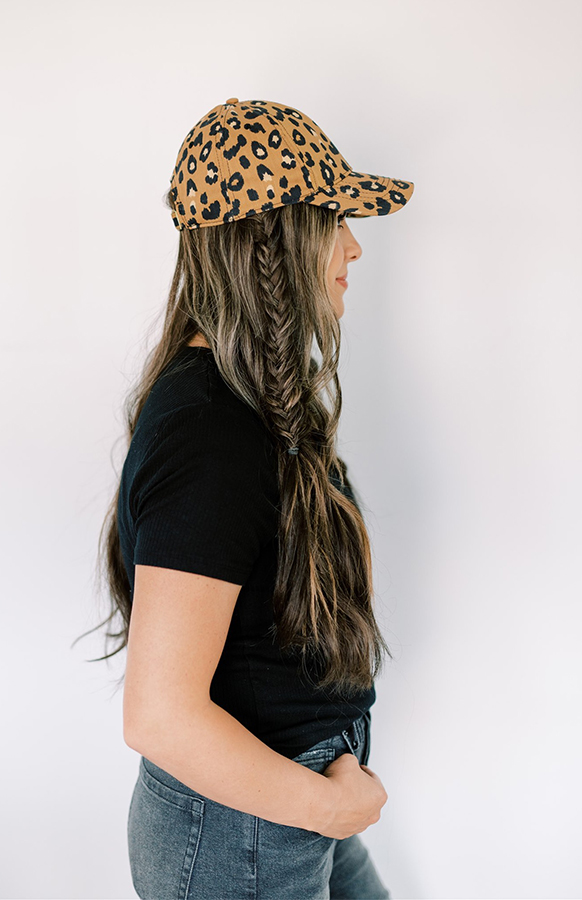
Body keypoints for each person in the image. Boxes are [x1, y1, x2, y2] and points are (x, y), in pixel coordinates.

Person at [91, 97, 413, 899]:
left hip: (279, 801)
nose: (354, 244)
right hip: (239, 833)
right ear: (273, 237)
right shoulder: (209, 432)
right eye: (332, 215)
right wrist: (327, 807)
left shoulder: (245, 406)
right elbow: (158, 715)